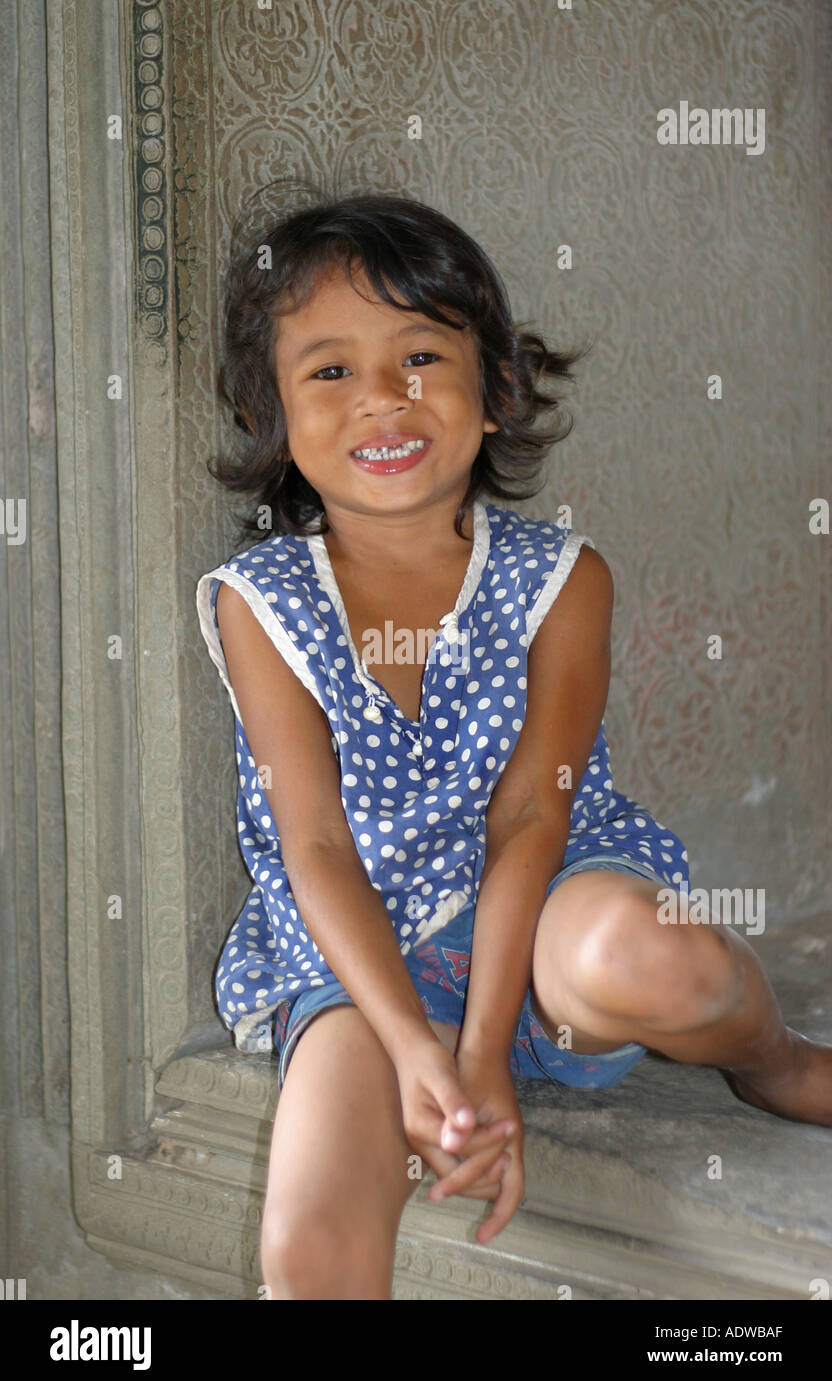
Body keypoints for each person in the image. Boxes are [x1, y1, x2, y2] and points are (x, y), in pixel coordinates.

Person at [195, 188, 832, 1300]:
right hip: (365, 958)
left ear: (492, 392)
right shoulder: (265, 601)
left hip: (547, 913)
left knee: (638, 953)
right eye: (330, 370)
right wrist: (418, 1049)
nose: (383, 398)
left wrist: (484, 1049)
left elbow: (534, 814)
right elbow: (318, 850)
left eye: (421, 357)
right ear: (275, 416)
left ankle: (770, 1060)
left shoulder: (560, 581)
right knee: (308, 1244)